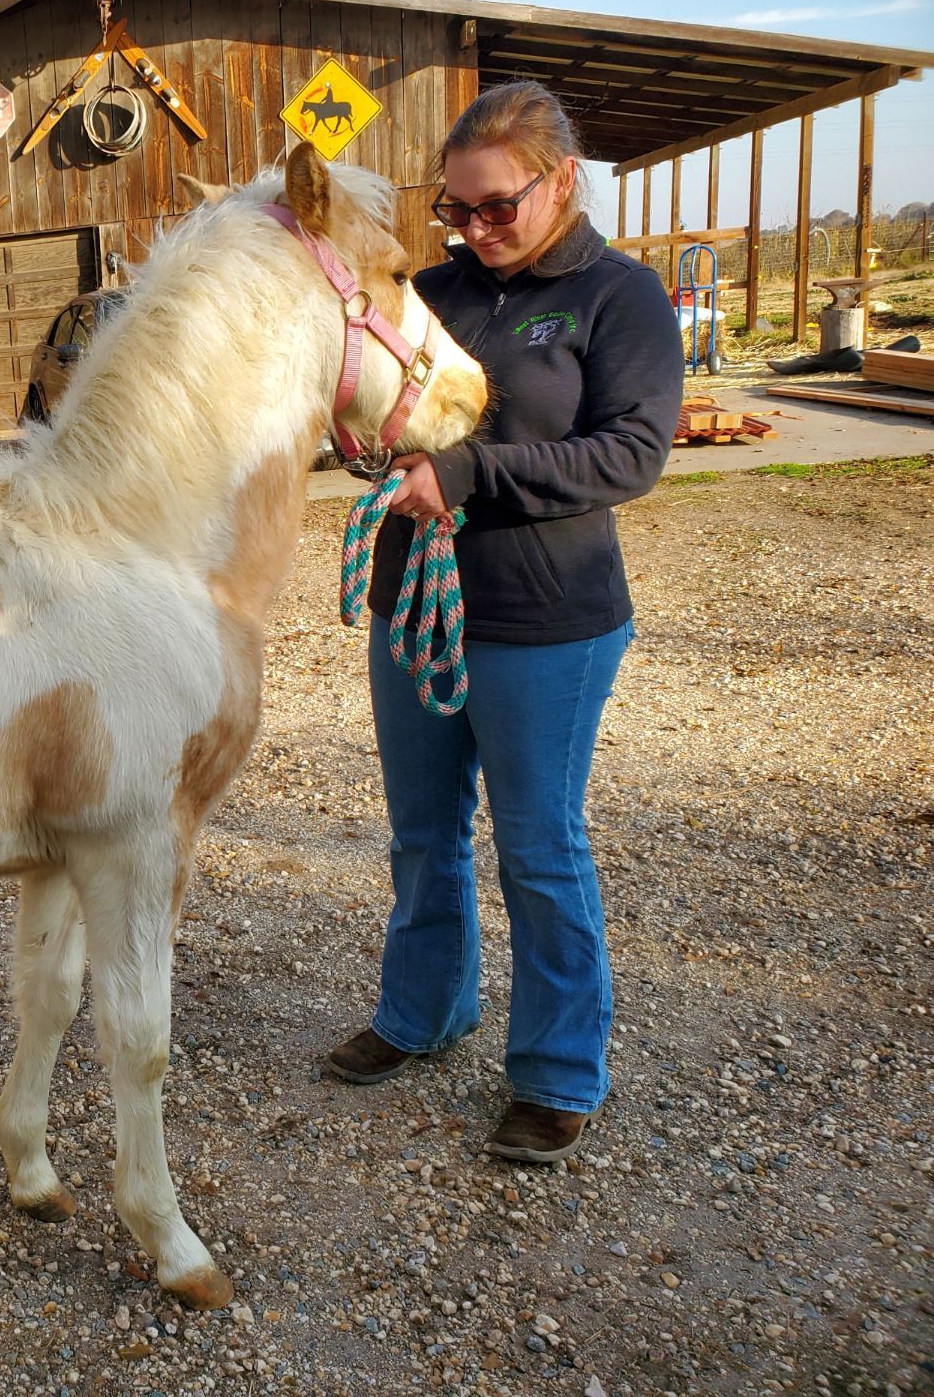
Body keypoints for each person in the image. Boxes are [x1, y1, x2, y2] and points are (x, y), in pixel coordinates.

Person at [321, 81, 684, 1163]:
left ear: (562, 182)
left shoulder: (619, 298)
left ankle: (560, 1068)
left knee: (537, 845)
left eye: (498, 207)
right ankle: (424, 1013)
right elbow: (376, 392)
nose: (475, 230)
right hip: (417, 604)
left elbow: (633, 453)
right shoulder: (430, 288)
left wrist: (470, 471)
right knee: (423, 835)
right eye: (458, 210)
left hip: (546, 618)